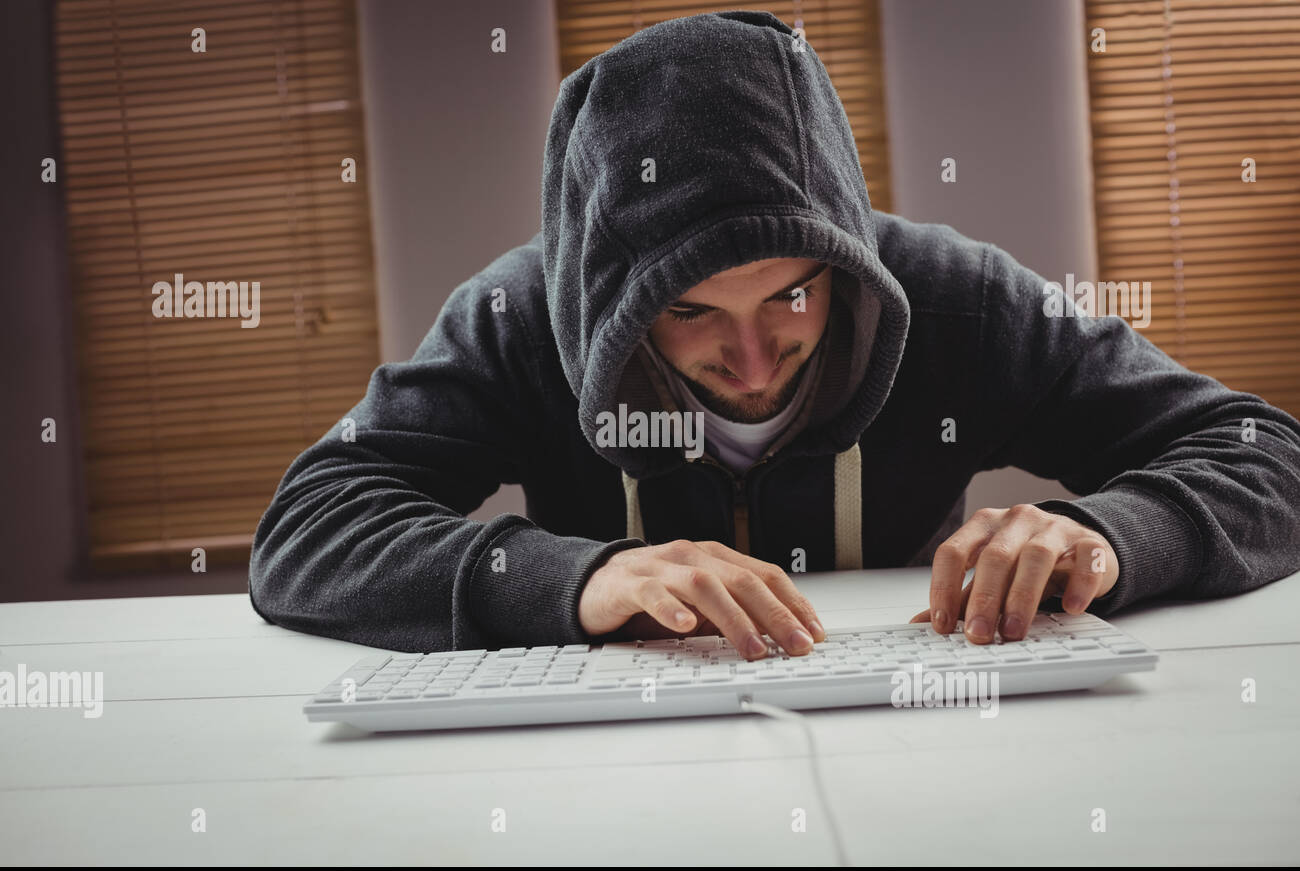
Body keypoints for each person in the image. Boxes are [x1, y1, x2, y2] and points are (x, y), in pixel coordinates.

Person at [248, 10, 1300, 660]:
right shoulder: (520, 319)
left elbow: (1268, 456)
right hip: (624, 774)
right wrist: (578, 578)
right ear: (607, 298)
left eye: (793, 296)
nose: (751, 363)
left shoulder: (955, 300)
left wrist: (1110, 534)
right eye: (691, 311)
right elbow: (307, 529)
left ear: (845, 258)